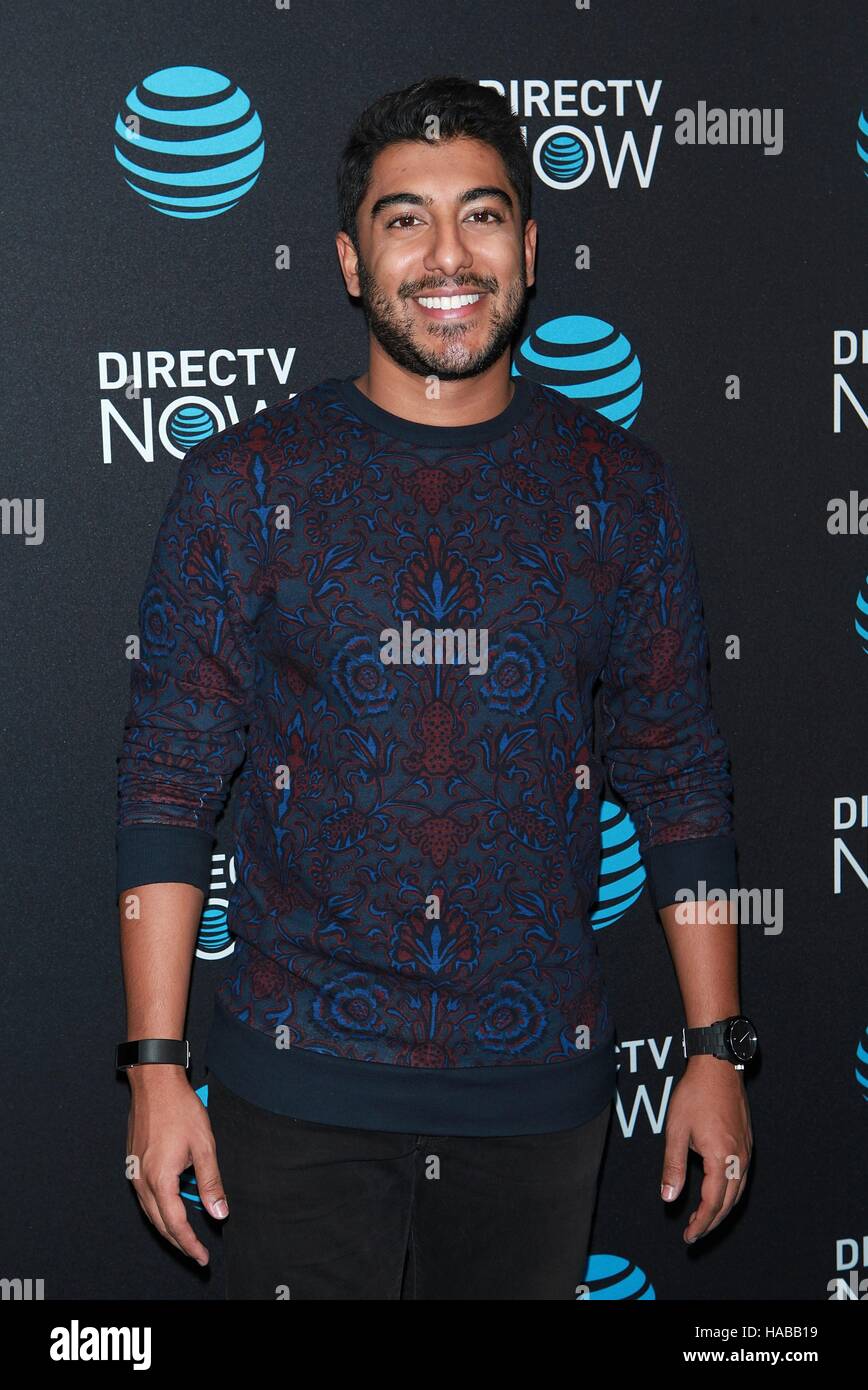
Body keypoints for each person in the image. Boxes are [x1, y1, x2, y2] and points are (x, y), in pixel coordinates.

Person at [115, 74, 754, 1301]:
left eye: (481, 214)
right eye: (406, 219)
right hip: (291, 1084)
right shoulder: (241, 483)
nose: (446, 255)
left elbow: (677, 773)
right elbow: (169, 775)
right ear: (353, 260)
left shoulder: (619, 489)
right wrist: (152, 1066)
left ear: (529, 246)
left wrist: (716, 1049)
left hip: (536, 1092)